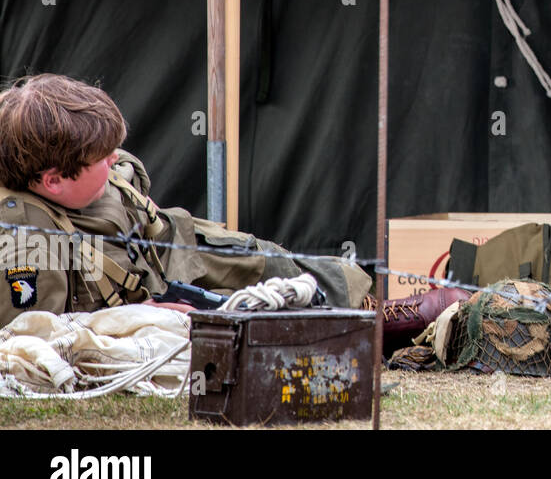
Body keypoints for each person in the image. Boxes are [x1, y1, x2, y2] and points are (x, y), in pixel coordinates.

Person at [0, 73, 373, 326]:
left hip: (166, 254)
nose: (114, 159)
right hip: (143, 302)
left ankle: (372, 311)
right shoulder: (24, 236)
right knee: (257, 320)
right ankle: (380, 325)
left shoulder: (81, 172)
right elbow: (31, 339)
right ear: (53, 181)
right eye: (101, 158)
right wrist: (134, 318)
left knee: (277, 269)